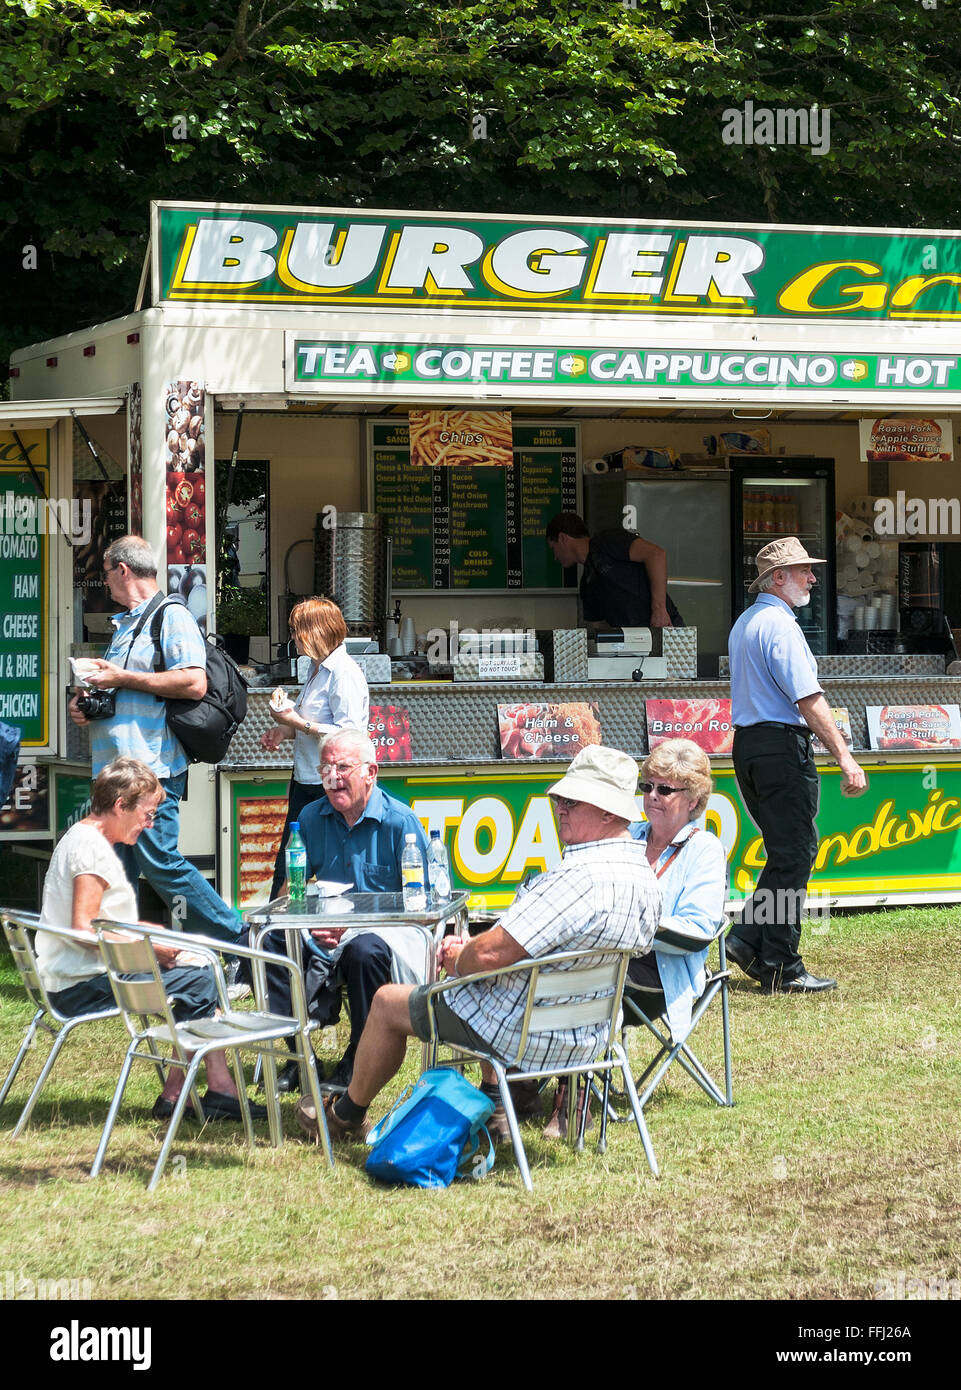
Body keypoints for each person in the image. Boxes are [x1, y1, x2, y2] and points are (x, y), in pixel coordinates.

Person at [294, 744, 660, 1145]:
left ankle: (345, 1115)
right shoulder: (643, 876)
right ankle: (494, 1106)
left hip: (524, 1032)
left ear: (608, 813)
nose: (560, 808)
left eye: (572, 801)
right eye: (560, 799)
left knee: (387, 1002)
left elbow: (490, 954)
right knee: (489, 981)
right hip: (592, 1037)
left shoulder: (575, 877)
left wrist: (456, 956)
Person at [36, 757, 263, 1121]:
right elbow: (83, 929)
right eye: (148, 813)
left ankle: (198, 1092)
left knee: (199, 969)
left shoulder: (83, 838)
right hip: (79, 985)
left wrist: (148, 933)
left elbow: (100, 922)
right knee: (201, 979)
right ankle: (195, 1092)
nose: (150, 823)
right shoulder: (92, 849)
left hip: (72, 976)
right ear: (120, 805)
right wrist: (150, 948)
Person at [68, 535, 240, 943]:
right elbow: (127, 691)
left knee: (159, 861)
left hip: (151, 770)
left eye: (106, 573)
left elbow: (193, 682)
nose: (104, 582)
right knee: (116, 868)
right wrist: (87, 705)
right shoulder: (126, 624)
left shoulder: (172, 616)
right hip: (117, 772)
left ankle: (238, 936)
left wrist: (122, 677)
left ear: (122, 570)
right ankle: (114, 956)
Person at [727, 537, 868, 994]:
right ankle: (781, 965)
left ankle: (749, 940)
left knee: (787, 852)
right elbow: (808, 699)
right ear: (778, 578)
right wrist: (845, 756)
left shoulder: (746, 622)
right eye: (804, 571)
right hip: (780, 747)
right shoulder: (781, 626)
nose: (812, 578)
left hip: (751, 745)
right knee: (795, 853)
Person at [256, 728, 429, 1095]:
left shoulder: (401, 822)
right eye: (325, 768)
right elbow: (290, 892)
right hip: (326, 930)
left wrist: (353, 927)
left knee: (365, 950)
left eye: (343, 767)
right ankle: (300, 1054)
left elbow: (421, 908)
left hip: (385, 936)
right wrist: (308, 926)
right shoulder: (310, 817)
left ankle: (358, 1057)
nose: (333, 777)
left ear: (371, 773)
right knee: (270, 941)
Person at [261, 597, 369, 899]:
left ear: (315, 632)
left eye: (296, 631)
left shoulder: (343, 673)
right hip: (308, 780)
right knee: (291, 866)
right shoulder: (316, 668)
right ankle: (279, 924)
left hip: (331, 784)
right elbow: (315, 724)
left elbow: (349, 735)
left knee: (305, 868)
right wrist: (284, 731)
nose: (293, 638)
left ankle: (280, 924)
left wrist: (295, 721)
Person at [627, 739, 728, 1041]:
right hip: (610, 959)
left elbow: (697, 929)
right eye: (647, 787)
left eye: (665, 790)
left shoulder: (704, 849)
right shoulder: (628, 836)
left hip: (662, 975)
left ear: (693, 800)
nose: (652, 796)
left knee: (576, 978)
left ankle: (583, 1067)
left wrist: (628, 928)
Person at [545, 512, 683, 628]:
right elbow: (598, 626)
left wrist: (659, 609)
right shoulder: (587, 584)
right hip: (631, 644)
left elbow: (656, 554)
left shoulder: (607, 541)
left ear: (563, 538)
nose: (555, 557)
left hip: (662, 628)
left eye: (553, 548)